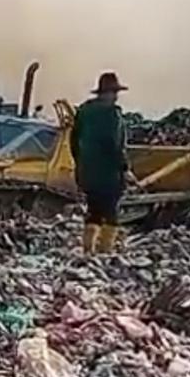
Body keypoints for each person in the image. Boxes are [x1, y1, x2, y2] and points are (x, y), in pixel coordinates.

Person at [70, 72, 132, 254]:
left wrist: (81, 163)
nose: (116, 96)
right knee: (111, 214)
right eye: (115, 92)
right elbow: (114, 145)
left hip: (87, 174)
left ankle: (88, 250)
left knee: (93, 211)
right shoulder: (112, 115)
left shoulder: (84, 112)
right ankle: (105, 252)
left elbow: (74, 141)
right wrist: (125, 168)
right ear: (110, 93)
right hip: (109, 175)